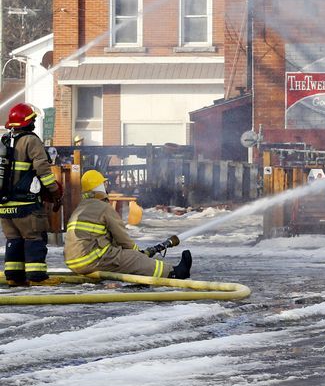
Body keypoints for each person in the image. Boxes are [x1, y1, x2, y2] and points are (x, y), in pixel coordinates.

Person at [64, 170, 192, 279]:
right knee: (134, 258)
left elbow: (100, 238)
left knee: (122, 255)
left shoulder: (80, 208)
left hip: (73, 262)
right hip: (89, 260)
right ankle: (174, 273)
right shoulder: (103, 207)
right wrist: (139, 253)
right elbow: (123, 239)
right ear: (100, 187)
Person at [0, 103, 62, 285]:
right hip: (26, 205)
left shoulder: (4, 140)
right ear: (26, 122)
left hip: (4, 206)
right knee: (34, 238)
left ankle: (13, 278)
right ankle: (37, 278)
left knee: (14, 240)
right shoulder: (31, 140)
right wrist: (54, 190)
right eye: (32, 119)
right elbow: (42, 168)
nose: (34, 122)